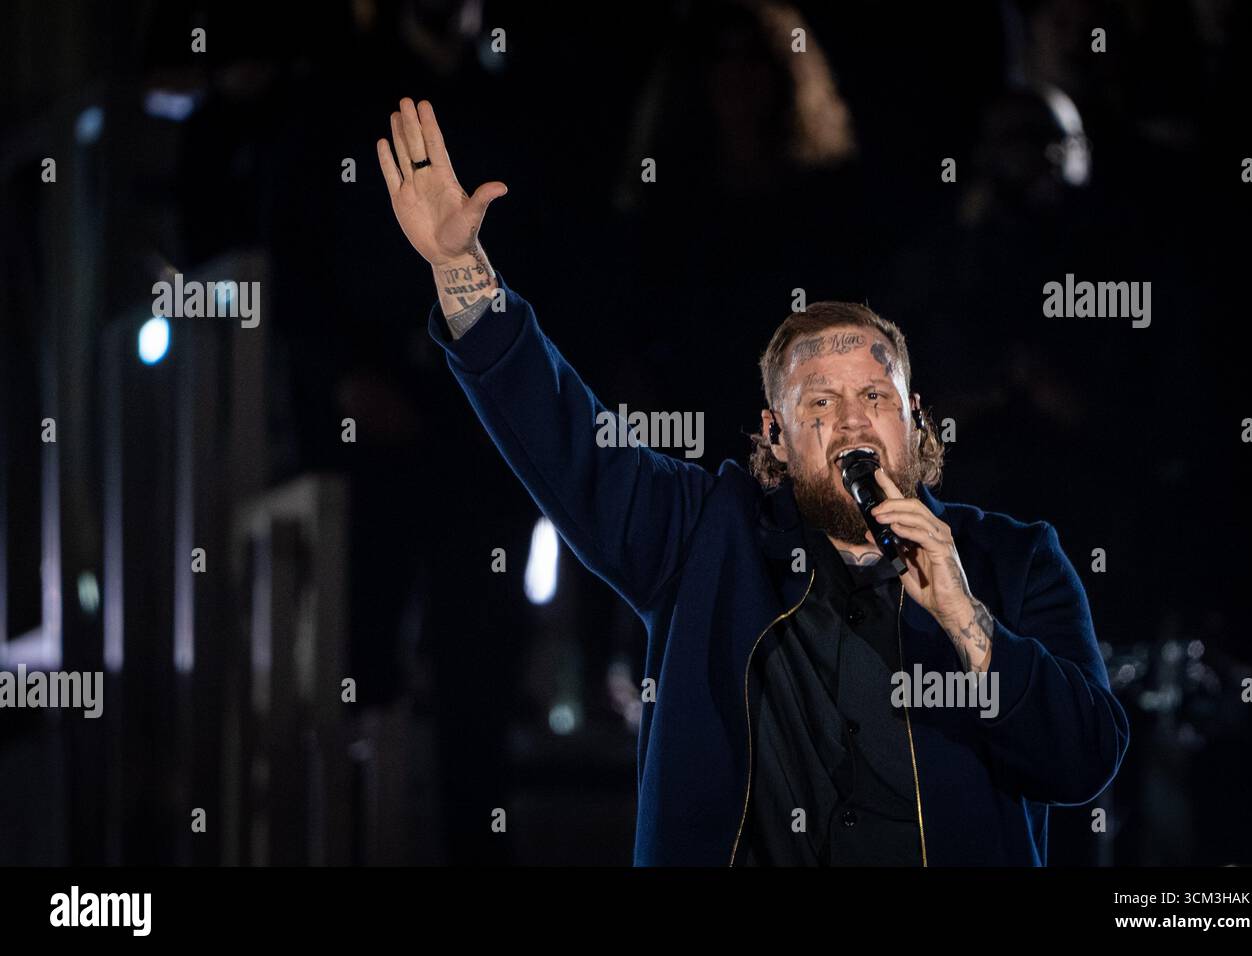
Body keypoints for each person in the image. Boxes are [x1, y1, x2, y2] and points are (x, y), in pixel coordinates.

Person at [376, 97, 1129, 866]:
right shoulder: (705, 536)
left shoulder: (1016, 560)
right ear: (774, 435)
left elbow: (1084, 760)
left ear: (916, 421)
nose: (852, 422)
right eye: (820, 403)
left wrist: (969, 624)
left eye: (876, 398)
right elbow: (569, 442)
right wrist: (458, 268)